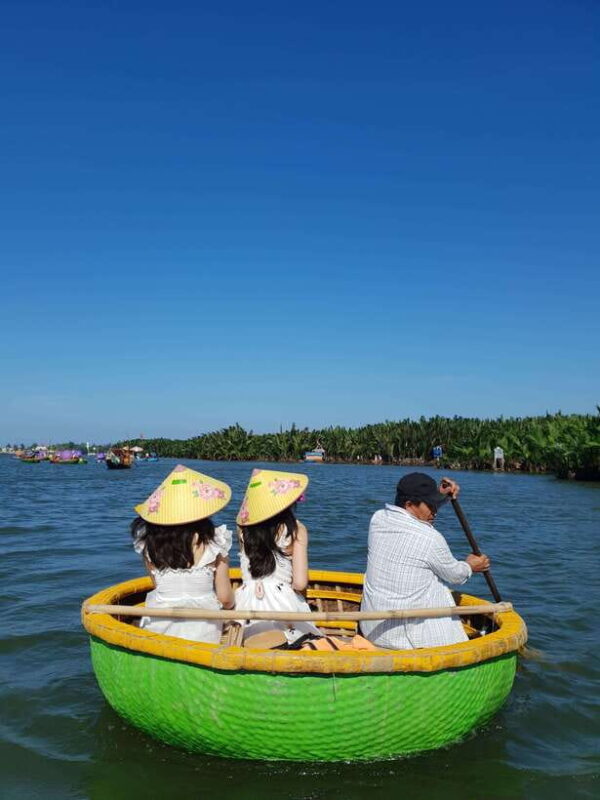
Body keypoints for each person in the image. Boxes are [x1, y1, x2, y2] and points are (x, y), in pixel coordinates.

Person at [360, 472, 490, 650]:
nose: (434, 511)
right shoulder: (431, 538)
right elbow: (455, 576)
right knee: (439, 586)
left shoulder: (378, 519)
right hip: (405, 641)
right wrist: (471, 565)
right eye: (430, 504)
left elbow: (415, 516)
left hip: (372, 630)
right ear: (409, 504)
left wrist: (442, 497)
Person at [131, 464, 234, 643]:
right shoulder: (216, 540)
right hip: (205, 633)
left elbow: (158, 585)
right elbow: (225, 598)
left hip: (160, 627)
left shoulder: (148, 544)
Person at [235, 468, 320, 644]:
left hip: (245, 601)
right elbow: (299, 583)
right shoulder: (296, 529)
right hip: (281, 602)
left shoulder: (242, 530)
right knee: (301, 636)